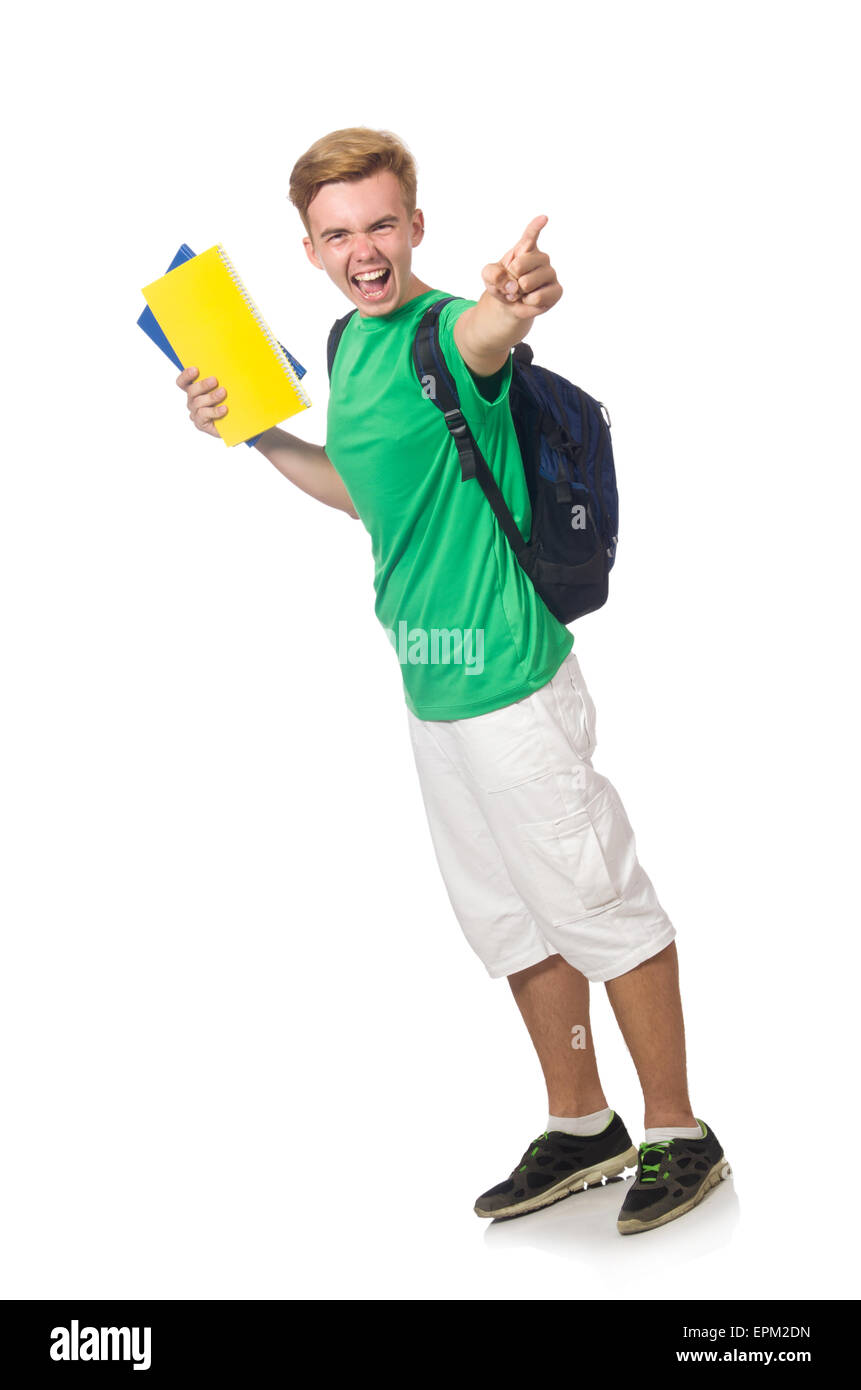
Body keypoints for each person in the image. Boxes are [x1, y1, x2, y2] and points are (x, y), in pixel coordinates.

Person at [176, 127, 730, 1235]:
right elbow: (361, 491)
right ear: (310, 250)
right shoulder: (347, 348)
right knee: (513, 921)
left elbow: (496, 328)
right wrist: (254, 435)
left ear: (415, 225)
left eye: (381, 223)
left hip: (514, 688)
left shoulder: (443, 337)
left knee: (600, 901)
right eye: (339, 234)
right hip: (432, 689)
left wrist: (522, 297)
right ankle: (582, 1124)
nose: (363, 249)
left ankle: (680, 1132)